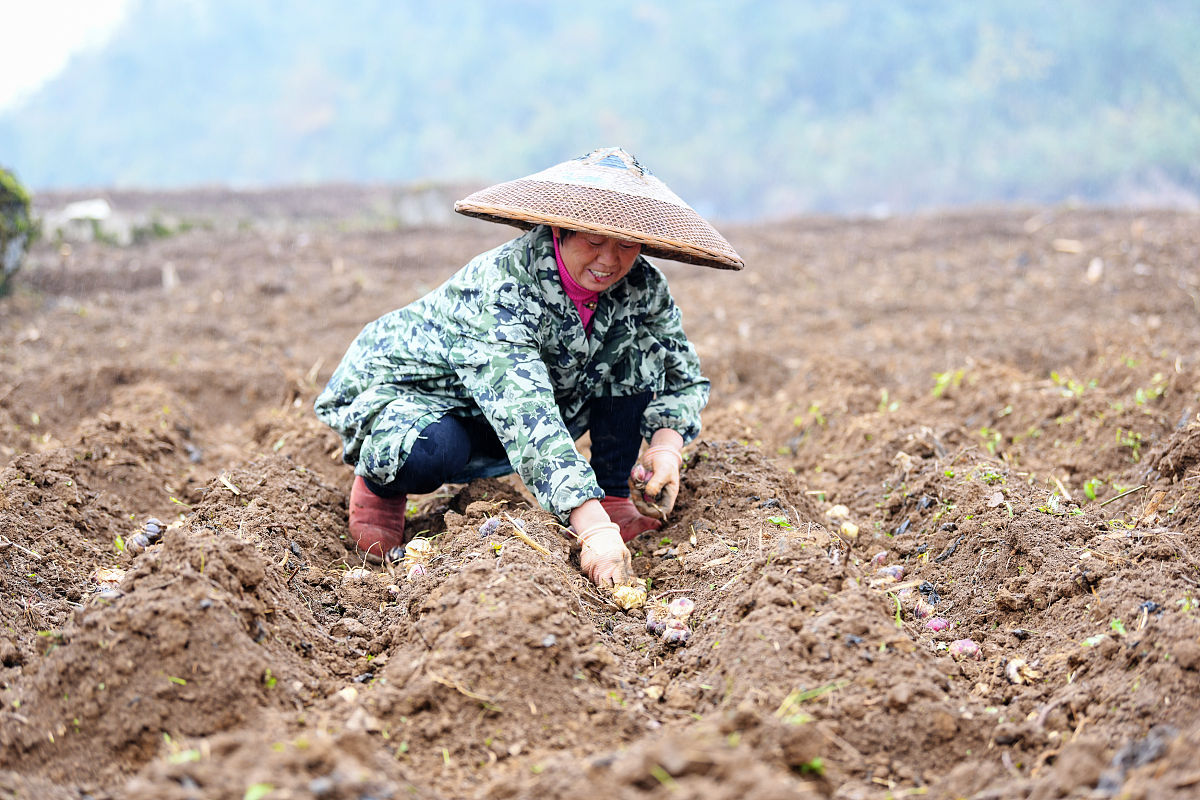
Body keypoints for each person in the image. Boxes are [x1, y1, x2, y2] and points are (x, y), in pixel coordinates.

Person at [314, 147, 743, 587]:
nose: (609, 260)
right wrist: (593, 530)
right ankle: (380, 487)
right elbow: (526, 414)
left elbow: (678, 372)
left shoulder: (643, 287)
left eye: (626, 244)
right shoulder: (504, 286)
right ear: (560, 229)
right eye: (594, 240)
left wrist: (666, 448)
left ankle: (613, 494)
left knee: (632, 350)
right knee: (431, 450)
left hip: (523, 402)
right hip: (420, 396)